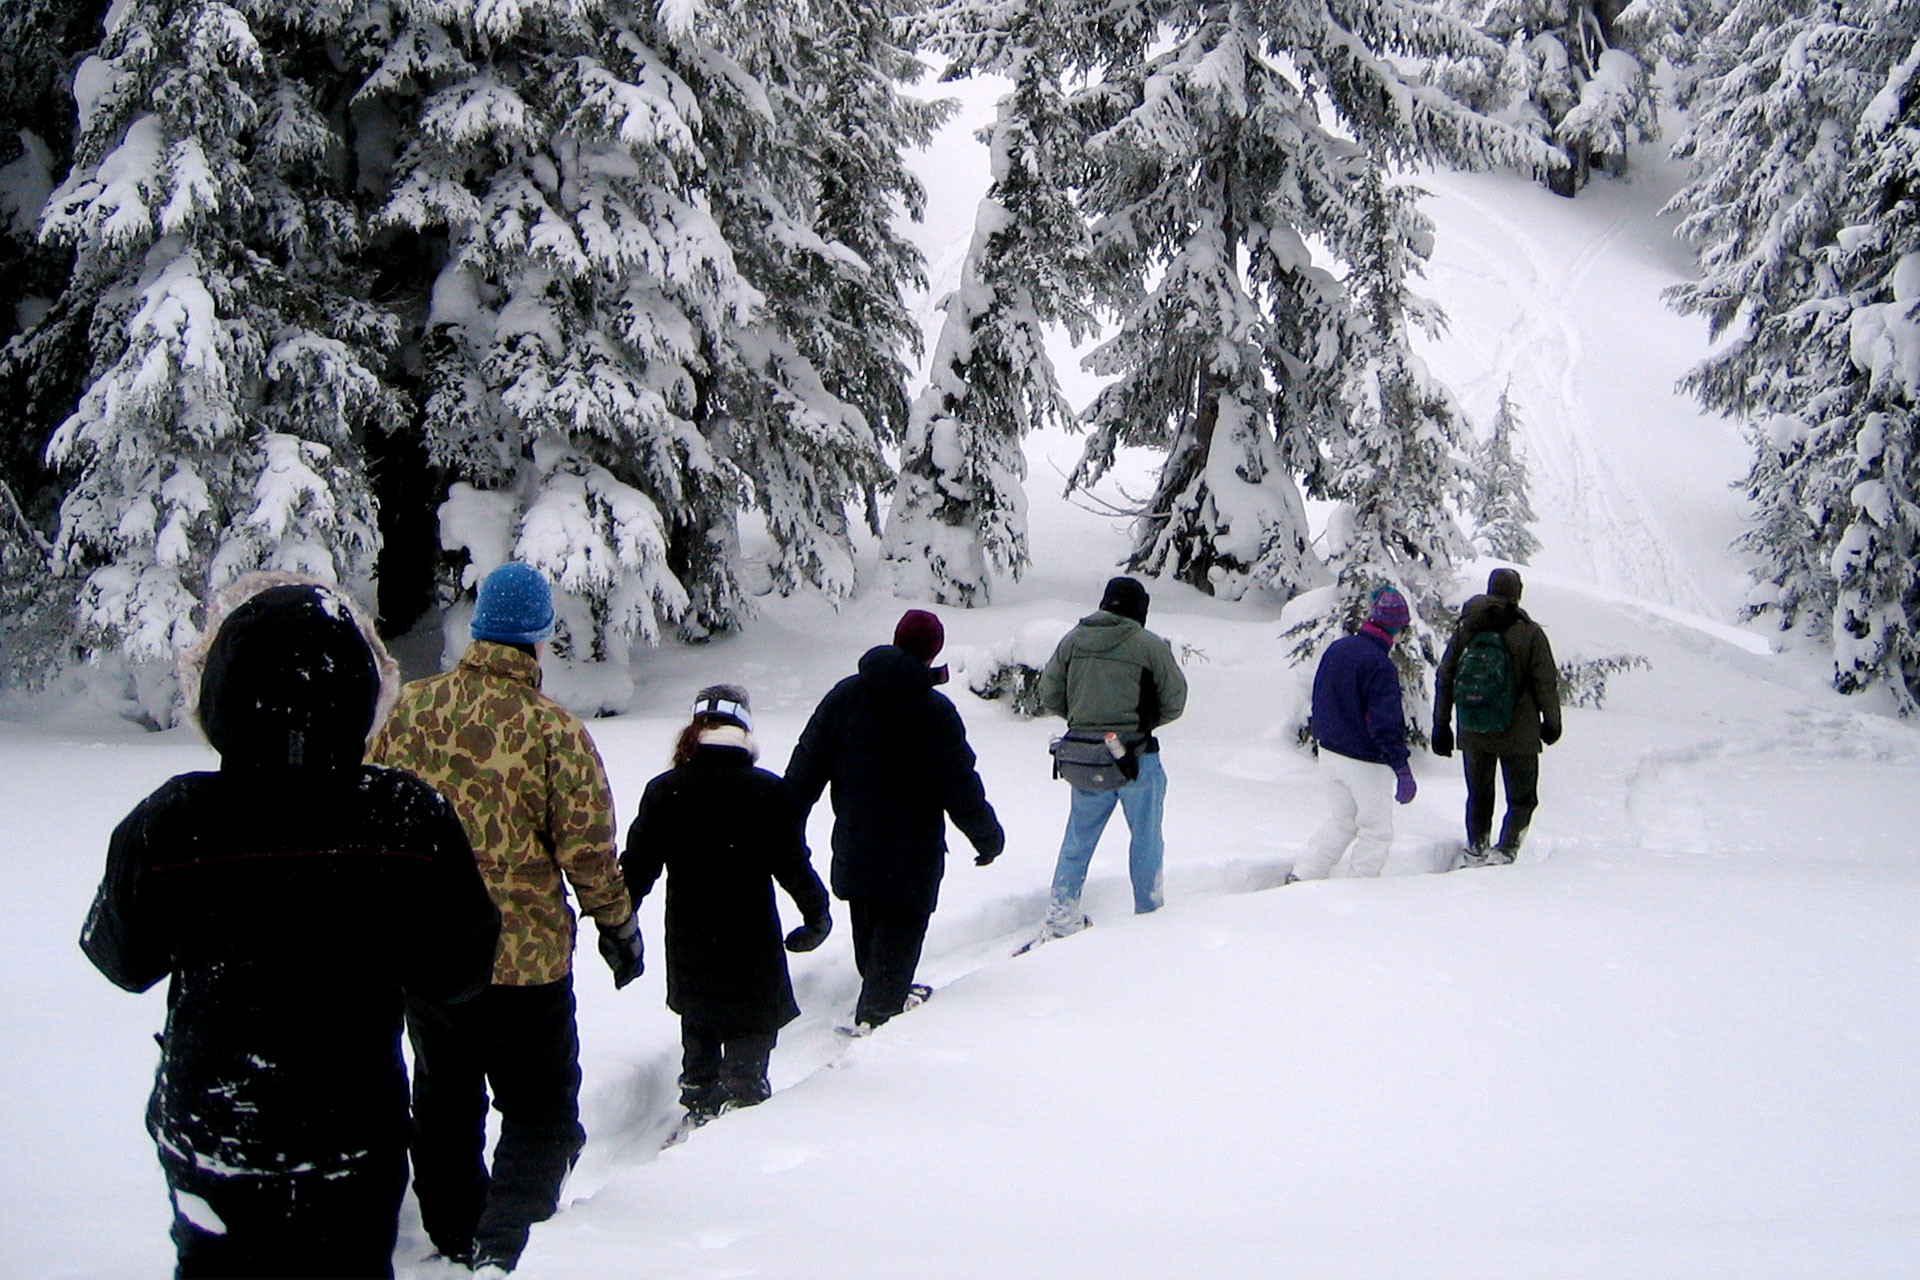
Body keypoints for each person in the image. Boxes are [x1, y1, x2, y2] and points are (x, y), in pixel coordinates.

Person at [81, 575, 501, 1279]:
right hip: (348, 1136)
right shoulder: (405, 817)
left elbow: (121, 957)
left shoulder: (173, 821)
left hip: (214, 1133)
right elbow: (459, 969)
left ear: (217, 690)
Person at [368, 562, 642, 1274]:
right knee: (541, 1110)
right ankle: (509, 1244)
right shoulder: (554, 731)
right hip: (527, 963)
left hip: (429, 957)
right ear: (538, 640)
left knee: (445, 1100)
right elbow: (587, 846)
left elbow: (370, 814)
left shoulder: (410, 711)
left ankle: (457, 1236)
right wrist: (617, 925)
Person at [785, 609, 1004, 1031]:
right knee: (899, 934)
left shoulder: (844, 697)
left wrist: (783, 821)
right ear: (932, 652)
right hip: (912, 855)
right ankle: (878, 1017)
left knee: (871, 933)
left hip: (855, 845)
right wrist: (987, 838)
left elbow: (805, 768)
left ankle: (881, 995)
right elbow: (960, 786)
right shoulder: (935, 713)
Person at [622, 685, 832, 1123]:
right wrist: (816, 914)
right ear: (745, 729)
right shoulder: (768, 792)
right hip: (751, 940)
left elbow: (637, 869)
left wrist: (617, 925)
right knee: (751, 1026)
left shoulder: (665, 791)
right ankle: (743, 1099)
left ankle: (698, 1099)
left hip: (690, 938)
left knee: (698, 1019)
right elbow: (793, 864)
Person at [1036, 575, 1188, 937]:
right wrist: (1142, 723)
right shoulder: (1148, 645)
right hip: (1136, 758)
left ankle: (1060, 919)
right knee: (1146, 839)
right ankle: (1149, 919)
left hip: (1085, 759)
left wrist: (1084, 722)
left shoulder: (1072, 641)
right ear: (1141, 609)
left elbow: (1049, 693)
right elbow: (1175, 701)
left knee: (1077, 841)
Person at [1431, 567, 1562, 865]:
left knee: (1479, 796)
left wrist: (1442, 724)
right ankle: (1505, 851)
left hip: (1474, 730)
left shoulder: (1467, 628)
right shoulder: (1529, 633)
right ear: (1518, 594)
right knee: (1522, 798)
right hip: (1520, 734)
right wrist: (1552, 723)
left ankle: (1476, 849)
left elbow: (1446, 676)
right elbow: (1545, 682)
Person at [1296, 586, 1417, 881]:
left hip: (1329, 753)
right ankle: (1359, 892)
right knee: (1376, 831)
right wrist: (1401, 768)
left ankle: (1303, 875)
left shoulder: (1338, 649)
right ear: (1396, 629)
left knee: (1343, 822)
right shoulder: (1380, 666)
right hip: (1364, 761)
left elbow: (1320, 697)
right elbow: (1384, 723)